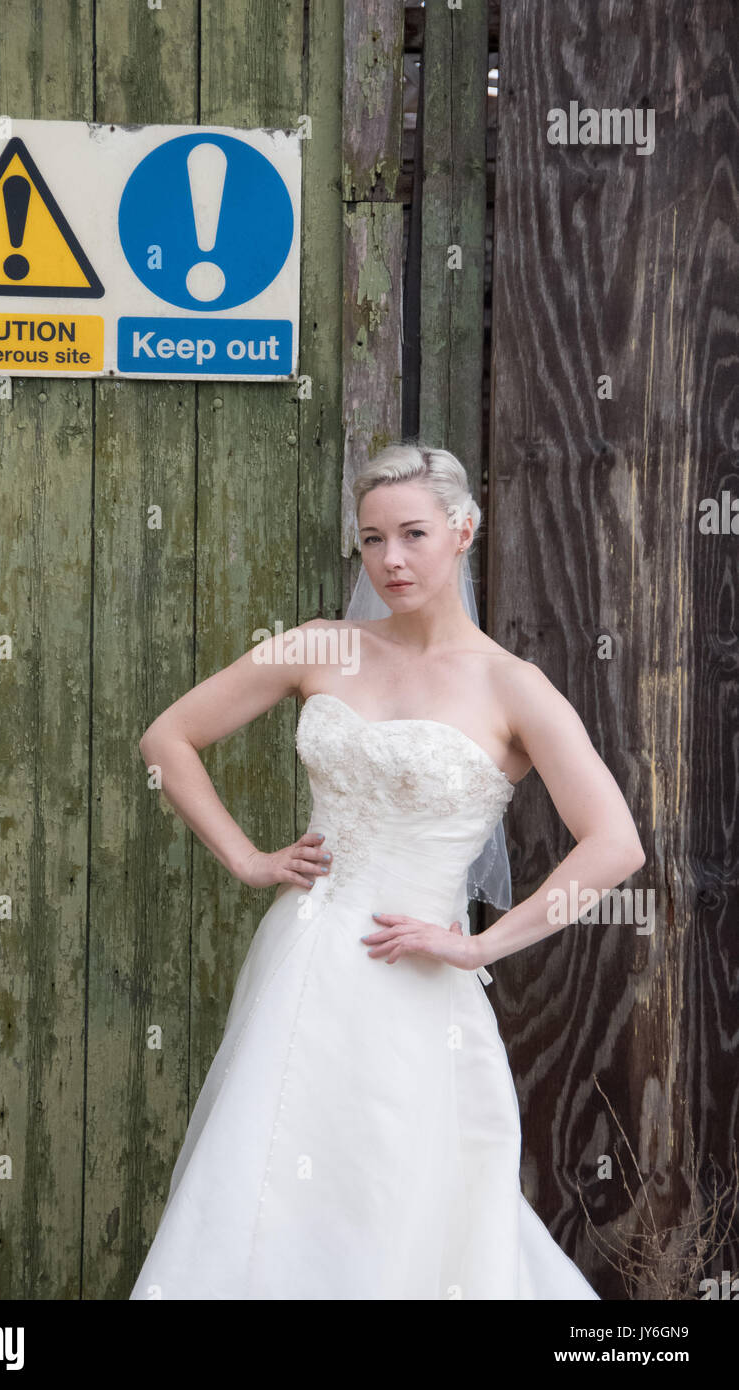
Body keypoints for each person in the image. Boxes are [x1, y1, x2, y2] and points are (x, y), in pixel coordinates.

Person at [130, 442, 645, 1300]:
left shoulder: (512, 687)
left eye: (413, 533)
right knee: (269, 1185)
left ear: (463, 531)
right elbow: (166, 739)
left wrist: (484, 948)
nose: (392, 559)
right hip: (305, 962)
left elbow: (615, 845)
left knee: (406, 1194)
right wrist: (251, 860)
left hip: (417, 982)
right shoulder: (316, 647)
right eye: (373, 540)